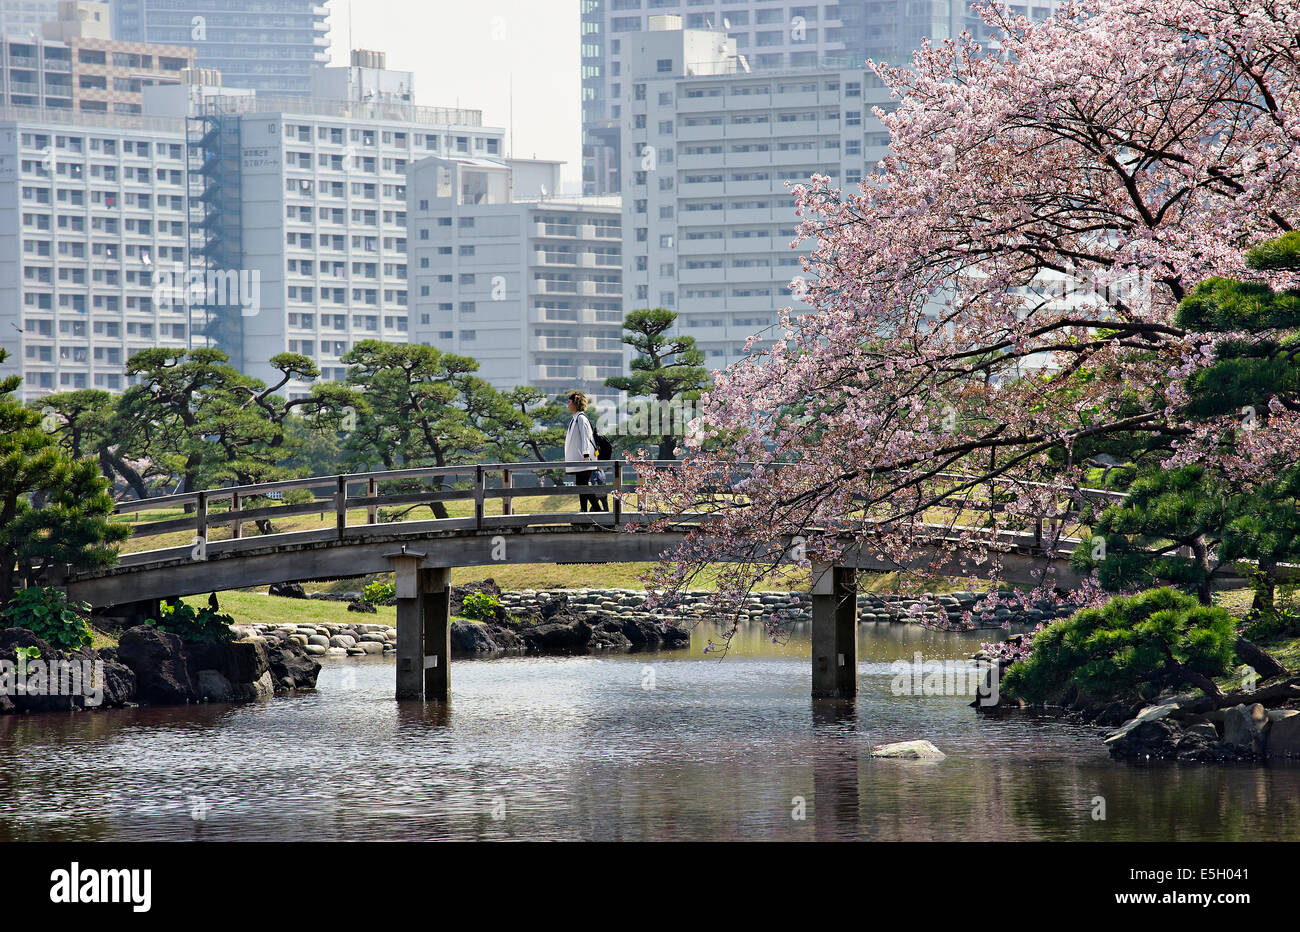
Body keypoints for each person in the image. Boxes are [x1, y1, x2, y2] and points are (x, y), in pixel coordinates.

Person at [565, 390, 607, 514]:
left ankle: (597, 510)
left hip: (584, 458)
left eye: (569, 401)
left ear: (575, 403)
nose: (567, 404)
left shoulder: (581, 418)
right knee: (581, 484)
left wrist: (586, 454)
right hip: (581, 458)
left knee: (582, 484)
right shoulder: (576, 418)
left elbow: (585, 437)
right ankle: (585, 510)